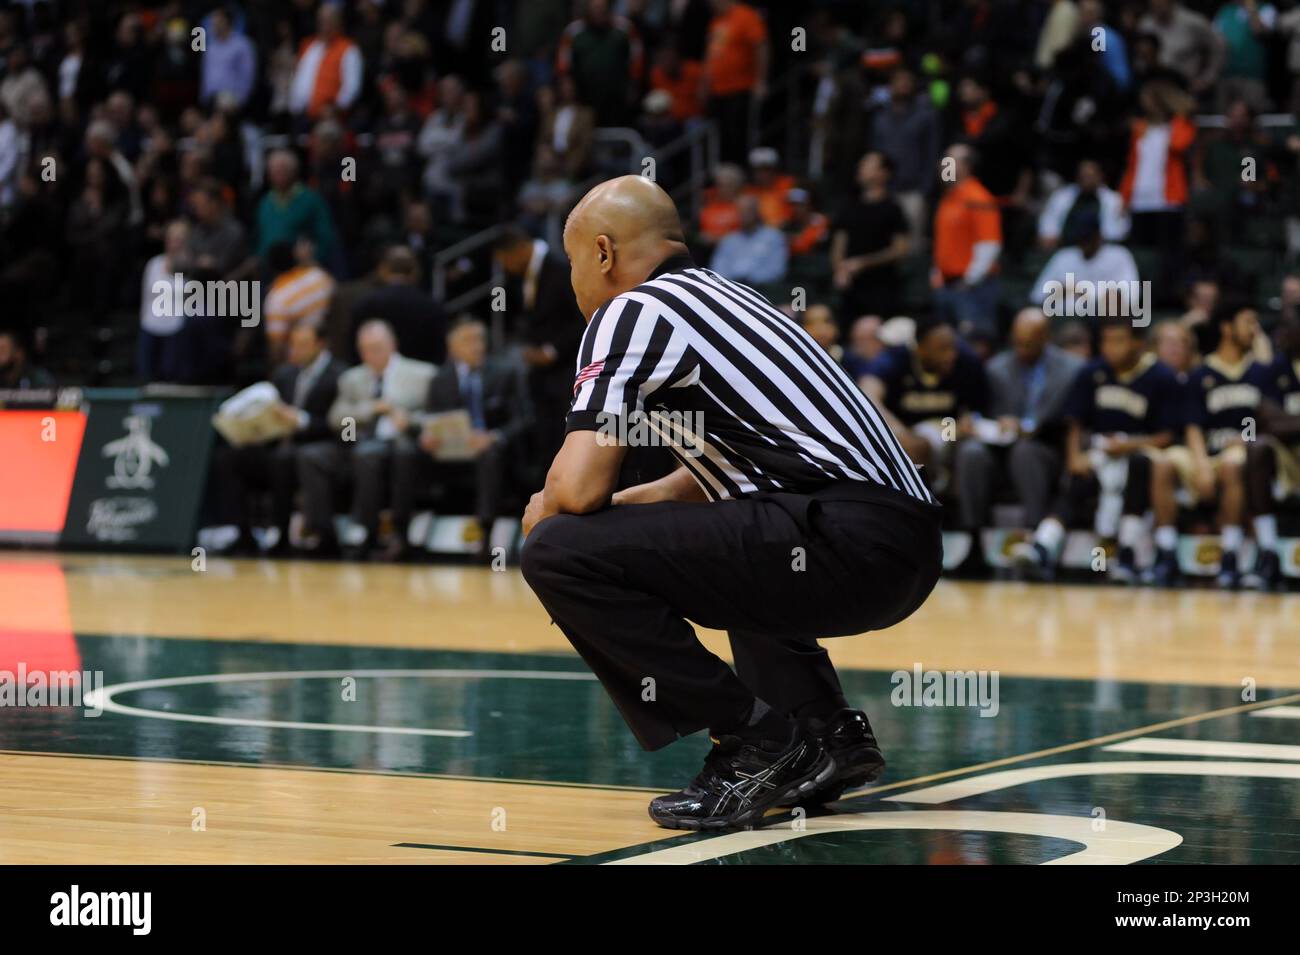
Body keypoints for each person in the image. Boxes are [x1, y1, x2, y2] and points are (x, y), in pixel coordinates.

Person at [519, 176, 941, 830]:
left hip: (841, 532)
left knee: (555, 551)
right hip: (902, 543)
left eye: (574, 263)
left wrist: (547, 512)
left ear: (602, 253)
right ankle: (829, 734)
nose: (574, 283)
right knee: (732, 516)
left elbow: (577, 489)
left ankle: (754, 740)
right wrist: (619, 518)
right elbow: (695, 482)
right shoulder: (738, 300)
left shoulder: (632, 310)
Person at [299, 319, 436, 560]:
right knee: (312, 456)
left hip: (399, 446)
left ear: (392, 345)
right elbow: (336, 418)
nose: (370, 354)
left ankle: (375, 533)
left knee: (371, 455)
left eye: (376, 348)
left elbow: (436, 417)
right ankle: (324, 535)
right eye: (364, 349)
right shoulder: (351, 378)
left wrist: (410, 421)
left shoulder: (422, 374)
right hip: (355, 445)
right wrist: (371, 408)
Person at [211, 322, 346, 555]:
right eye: (293, 345)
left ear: (321, 344)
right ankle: (243, 534)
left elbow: (343, 427)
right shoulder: (285, 373)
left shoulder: (340, 375)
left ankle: (284, 535)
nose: (297, 350)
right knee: (229, 458)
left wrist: (300, 420)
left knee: (283, 459)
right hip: (279, 444)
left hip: (317, 446)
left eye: (303, 345)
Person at [414, 319, 531, 561]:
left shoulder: (505, 373)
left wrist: (493, 437)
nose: (476, 347)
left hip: (492, 452)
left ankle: (484, 534)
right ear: (453, 348)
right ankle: (405, 533)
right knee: (406, 453)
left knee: (489, 456)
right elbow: (431, 420)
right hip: (450, 453)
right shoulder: (440, 380)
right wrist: (427, 438)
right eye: (468, 341)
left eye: (479, 340)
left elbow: (523, 420)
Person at [494, 227, 586, 478]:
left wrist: (551, 351)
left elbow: (582, 318)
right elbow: (501, 303)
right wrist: (498, 304)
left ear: (520, 249)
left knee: (563, 432)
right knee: (543, 433)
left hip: (568, 365)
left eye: (506, 261)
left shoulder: (561, 266)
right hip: (538, 369)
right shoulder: (513, 277)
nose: (506, 267)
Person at [708, 193, 787, 283]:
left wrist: (750, 280)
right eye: (740, 211)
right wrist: (731, 282)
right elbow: (718, 268)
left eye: (748, 210)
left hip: (762, 289)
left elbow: (776, 270)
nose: (744, 215)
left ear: (757, 212)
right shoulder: (729, 240)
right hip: (732, 288)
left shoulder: (773, 237)